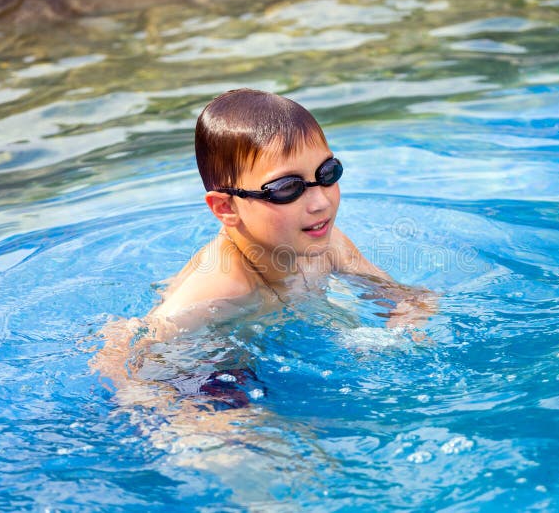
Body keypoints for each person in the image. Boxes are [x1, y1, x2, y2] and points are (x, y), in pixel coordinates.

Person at [93, 88, 434, 393]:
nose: (320, 202)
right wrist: (153, 408)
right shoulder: (221, 286)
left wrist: (394, 341)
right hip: (208, 368)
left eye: (327, 173)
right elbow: (124, 346)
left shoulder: (329, 246)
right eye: (287, 188)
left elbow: (413, 299)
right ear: (226, 207)